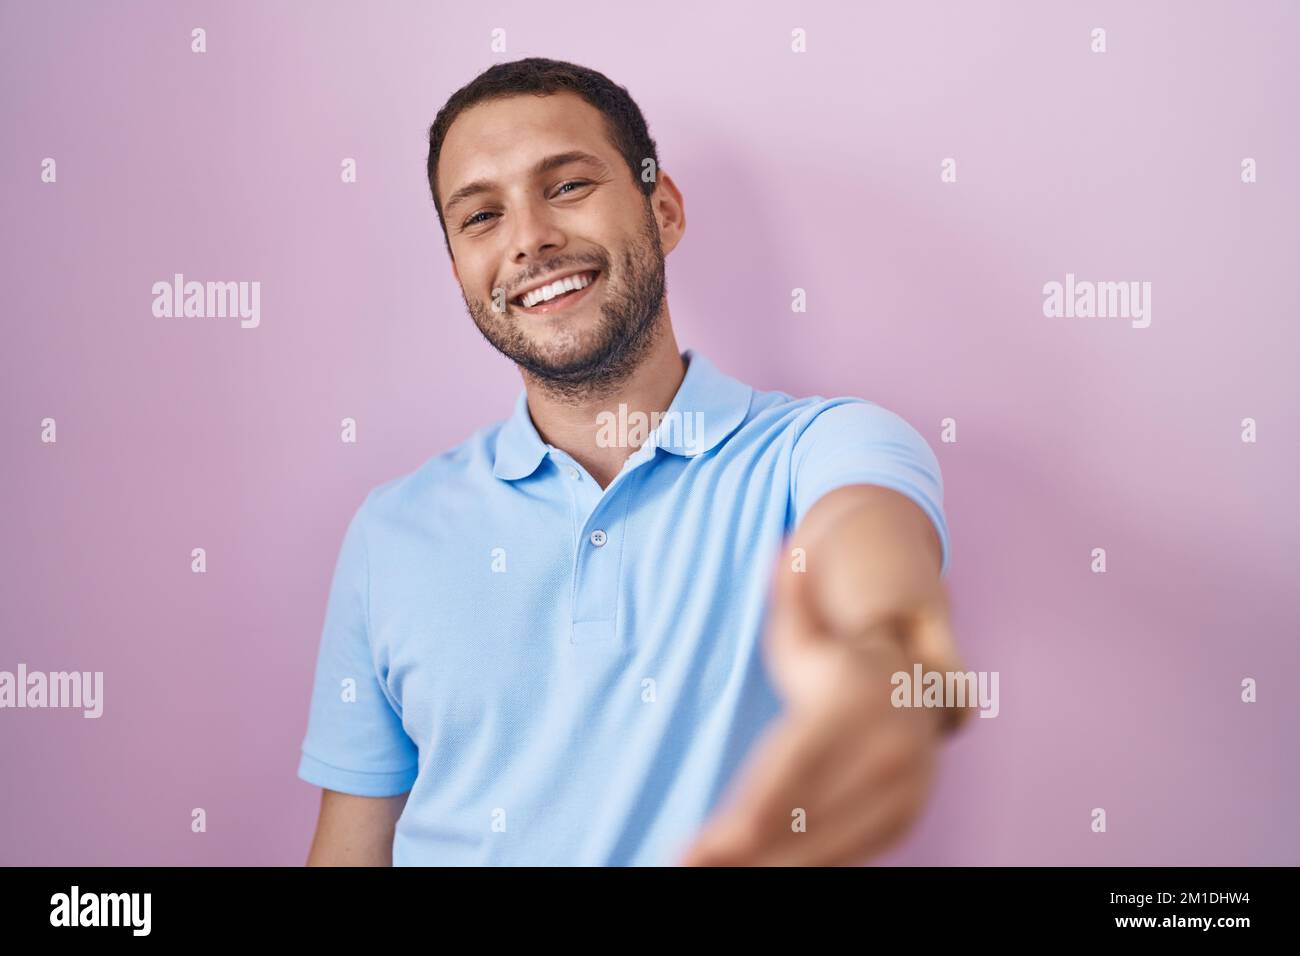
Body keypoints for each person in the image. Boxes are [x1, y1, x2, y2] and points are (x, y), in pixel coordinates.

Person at [298, 57, 968, 866]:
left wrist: (885, 662)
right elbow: (351, 847)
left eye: (568, 185)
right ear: (459, 274)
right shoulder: (390, 531)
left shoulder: (823, 447)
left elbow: (868, 533)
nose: (530, 239)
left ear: (665, 211)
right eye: (480, 217)